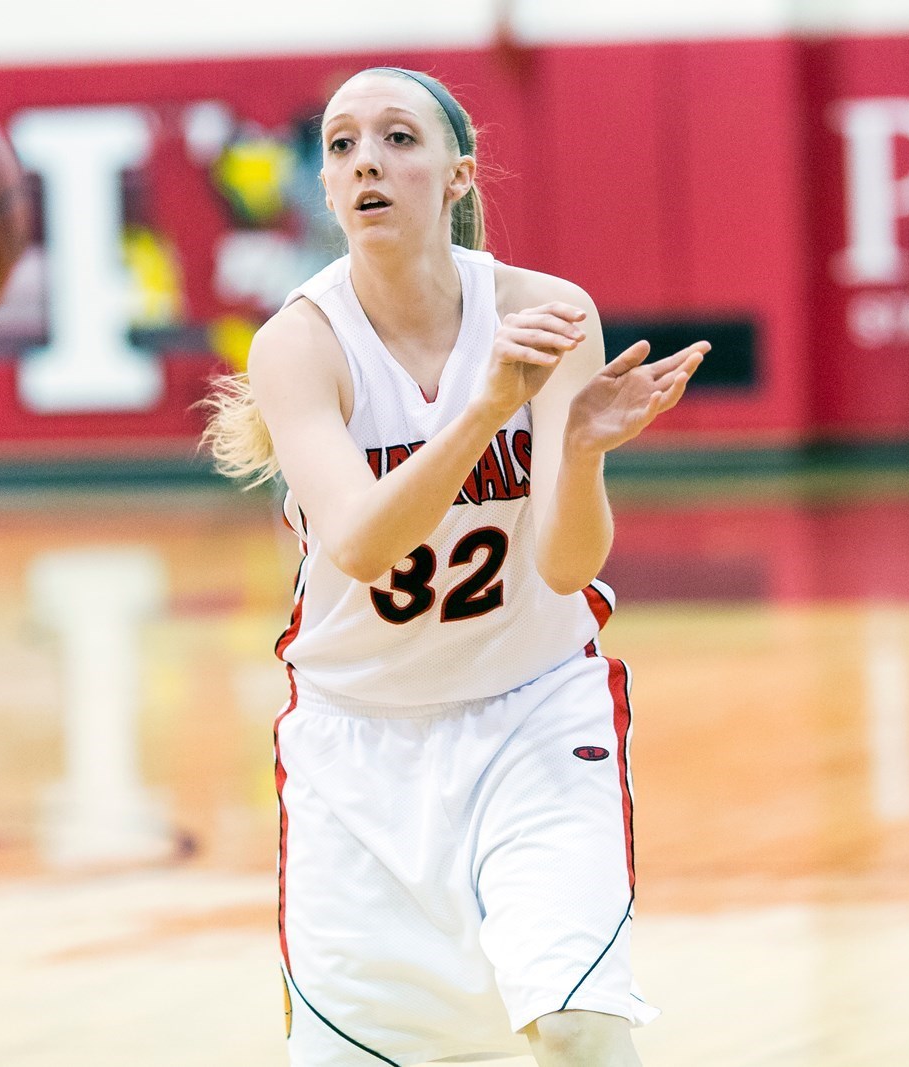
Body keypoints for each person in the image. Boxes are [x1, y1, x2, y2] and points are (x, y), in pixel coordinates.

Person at [201, 67, 705, 1067]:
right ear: (328, 187)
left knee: (577, 1025)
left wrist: (580, 450)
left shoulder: (549, 311)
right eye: (341, 145)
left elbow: (568, 565)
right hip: (356, 743)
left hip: (534, 709)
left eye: (397, 138)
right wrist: (484, 407)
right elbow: (360, 543)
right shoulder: (298, 344)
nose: (365, 161)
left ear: (456, 175)